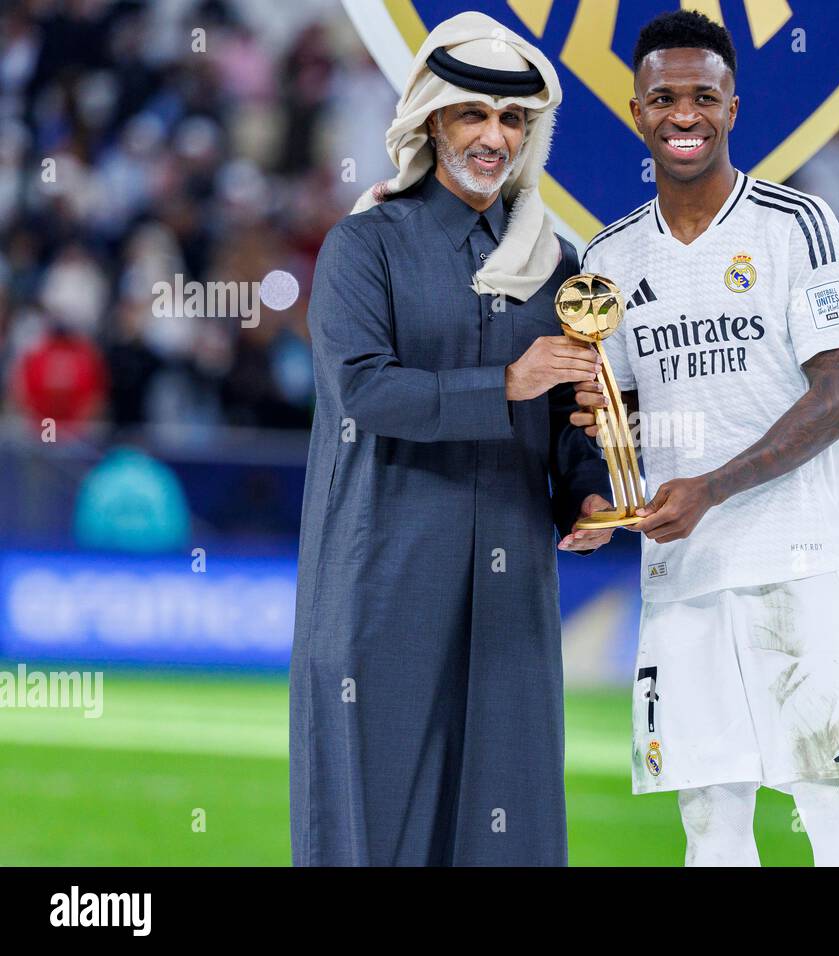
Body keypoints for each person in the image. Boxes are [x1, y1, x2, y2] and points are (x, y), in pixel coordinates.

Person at [291, 12, 613, 867]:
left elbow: (573, 412)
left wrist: (589, 489)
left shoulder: (556, 263)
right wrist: (507, 382)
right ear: (433, 121)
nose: (494, 136)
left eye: (513, 120)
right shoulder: (364, 246)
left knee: (512, 809)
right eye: (474, 114)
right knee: (375, 813)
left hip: (511, 578)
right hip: (384, 574)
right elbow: (363, 389)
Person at [574, 11, 839, 866]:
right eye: (664, 98)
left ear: (734, 109)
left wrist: (710, 487)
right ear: (636, 111)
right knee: (710, 826)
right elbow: (621, 418)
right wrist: (598, 484)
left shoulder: (796, 226)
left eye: (703, 97)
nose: (685, 115)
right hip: (682, 577)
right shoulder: (607, 259)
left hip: (800, 563)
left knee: (835, 815)